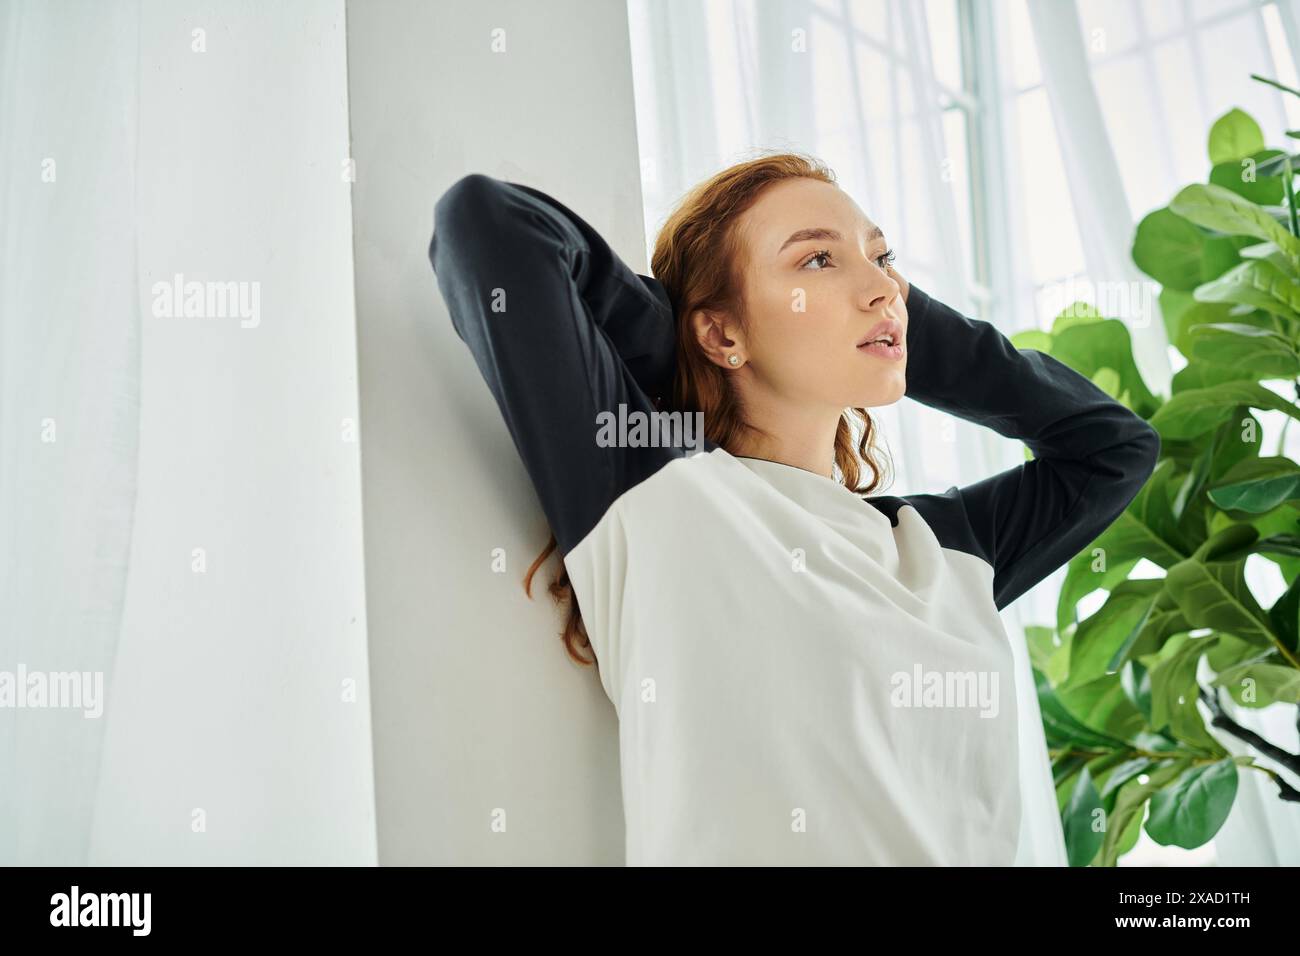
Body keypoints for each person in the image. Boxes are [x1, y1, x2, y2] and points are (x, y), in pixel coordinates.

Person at [427, 152, 1160, 866]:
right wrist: (682, 337)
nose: (882, 287)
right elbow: (488, 223)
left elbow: (1115, 447)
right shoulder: (661, 495)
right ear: (721, 332)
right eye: (817, 261)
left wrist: (889, 317)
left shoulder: (943, 547)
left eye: (883, 258)